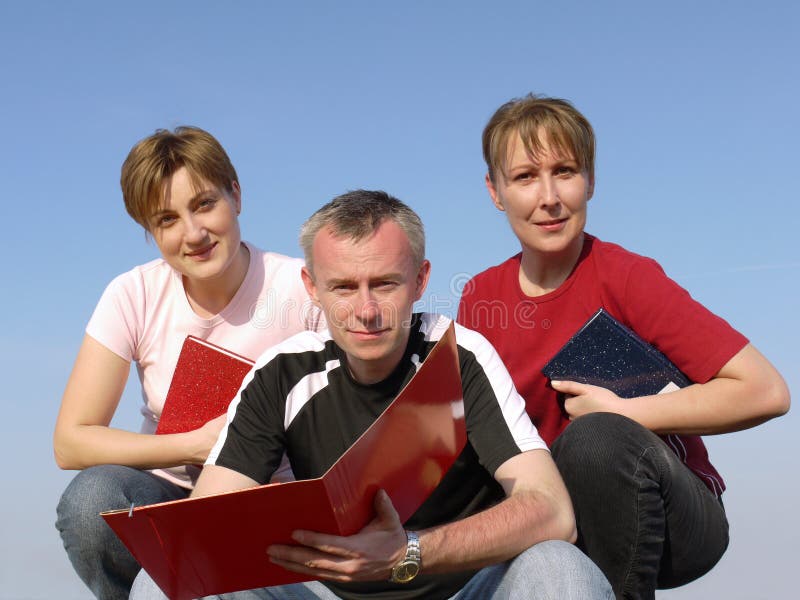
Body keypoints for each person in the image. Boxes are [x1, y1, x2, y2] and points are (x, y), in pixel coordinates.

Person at [130, 190, 613, 600]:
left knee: (560, 568)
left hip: (461, 590)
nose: (366, 310)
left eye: (385, 284)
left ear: (421, 281)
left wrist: (407, 552)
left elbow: (552, 510)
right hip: (331, 593)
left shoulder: (461, 356)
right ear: (311, 287)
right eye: (343, 286)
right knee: (164, 582)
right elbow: (203, 527)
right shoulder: (281, 373)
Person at [457, 94, 791, 599]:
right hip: (555, 519)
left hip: (673, 515)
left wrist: (628, 412)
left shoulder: (627, 276)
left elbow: (766, 391)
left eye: (565, 171)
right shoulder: (479, 295)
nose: (549, 197)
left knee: (596, 438)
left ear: (590, 180)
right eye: (525, 177)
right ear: (495, 191)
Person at [53, 126, 322, 600]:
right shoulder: (132, 294)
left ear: (235, 195)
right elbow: (71, 442)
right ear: (150, 231)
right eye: (166, 219)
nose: (193, 234)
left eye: (203, 204)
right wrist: (193, 445)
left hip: (267, 502)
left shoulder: (301, 290)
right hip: (167, 491)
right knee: (90, 501)